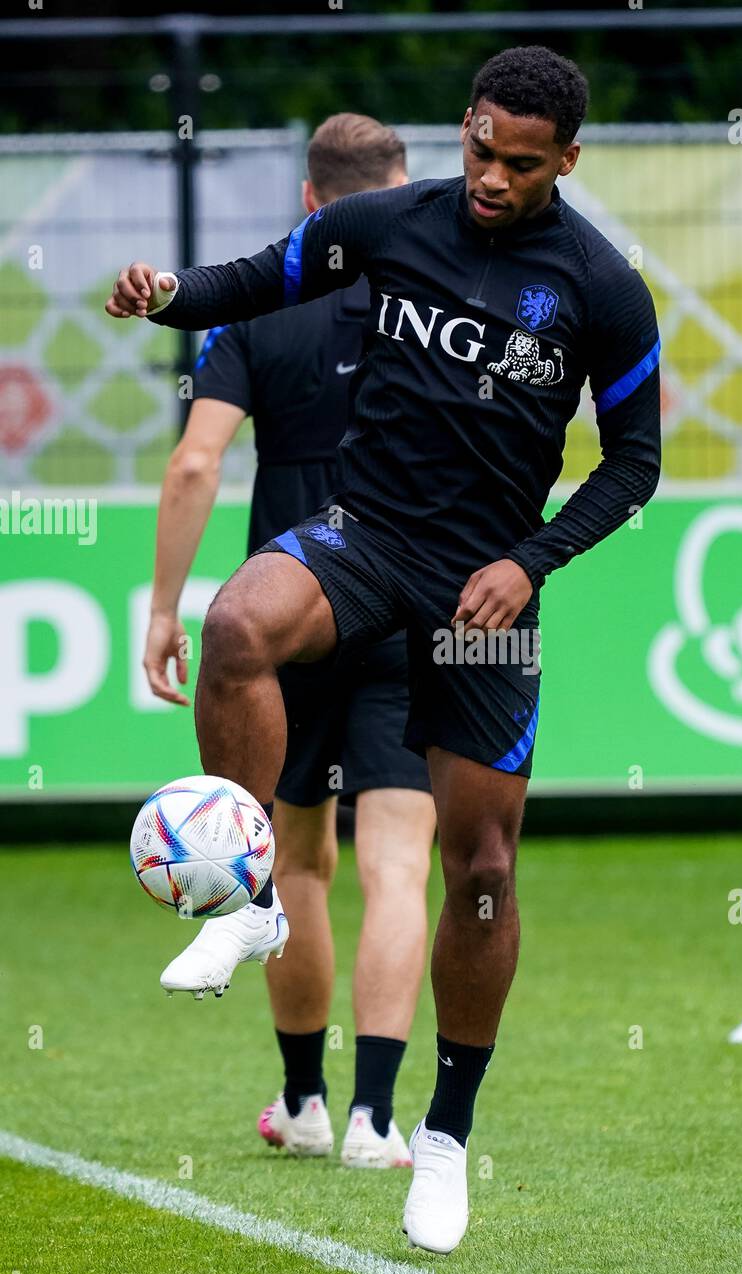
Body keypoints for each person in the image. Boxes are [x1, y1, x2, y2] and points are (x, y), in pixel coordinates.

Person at [107, 45, 661, 1254]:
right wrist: (166, 293)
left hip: (482, 588)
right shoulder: (387, 222)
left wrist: (534, 561)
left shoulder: (602, 287)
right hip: (368, 535)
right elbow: (254, 279)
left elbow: (635, 462)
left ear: (567, 160)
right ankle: (248, 896)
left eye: (524, 164)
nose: (494, 179)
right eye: (480, 149)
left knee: (481, 871)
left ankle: (445, 1136)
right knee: (239, 625)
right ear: (463, 126)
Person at [142, 114, 436, 1170]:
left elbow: (194, 464)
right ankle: (377, 1122)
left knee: (293, 863)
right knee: (401, 865)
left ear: (313, 203)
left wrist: (167, 607)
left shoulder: (261, 308)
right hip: (417, 596)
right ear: (400, 196)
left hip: (288, 611)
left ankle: (305, 1101)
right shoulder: (438, 299)